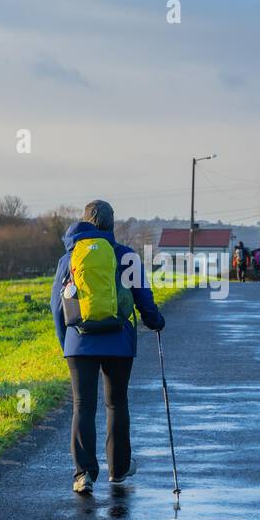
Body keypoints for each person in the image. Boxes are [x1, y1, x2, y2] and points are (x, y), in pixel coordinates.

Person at [51, 200, 165, 495]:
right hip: (118, 341)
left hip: (80, 342)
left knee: (83, 406)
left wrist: (67, 343)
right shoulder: (126, 256)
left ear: (86, 224)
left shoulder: (70, 259)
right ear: (113, 224)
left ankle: (83, 474)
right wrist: (155, 321)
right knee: (116, 404)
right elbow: (143, 297)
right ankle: (118, 469)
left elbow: (56, 306)